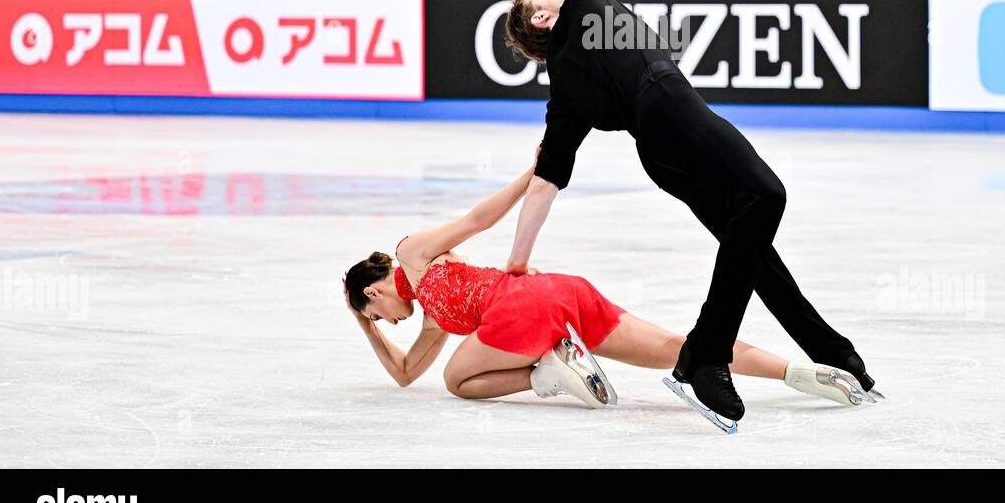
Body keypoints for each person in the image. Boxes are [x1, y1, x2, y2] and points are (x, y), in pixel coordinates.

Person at [494, 0, 876, 426]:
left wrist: (517, 262)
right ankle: (703, 356)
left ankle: (832, 349)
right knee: (767, 196)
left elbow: (546, 180)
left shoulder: (564, 95)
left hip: (659, 149)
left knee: (751, 242)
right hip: (668, 108)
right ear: (546, 17)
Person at [343, 152, 867, 410]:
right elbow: (407, 371)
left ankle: (548, 373)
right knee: (682, 348)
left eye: (377, 316)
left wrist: (536, 172)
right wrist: (366, 329)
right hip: (559, 293)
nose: (387, 322)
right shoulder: (434, 318)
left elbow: (479, 218)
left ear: (373, 293)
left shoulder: (410, 253)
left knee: (458, 382)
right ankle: (795, 371)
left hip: (517, 314)